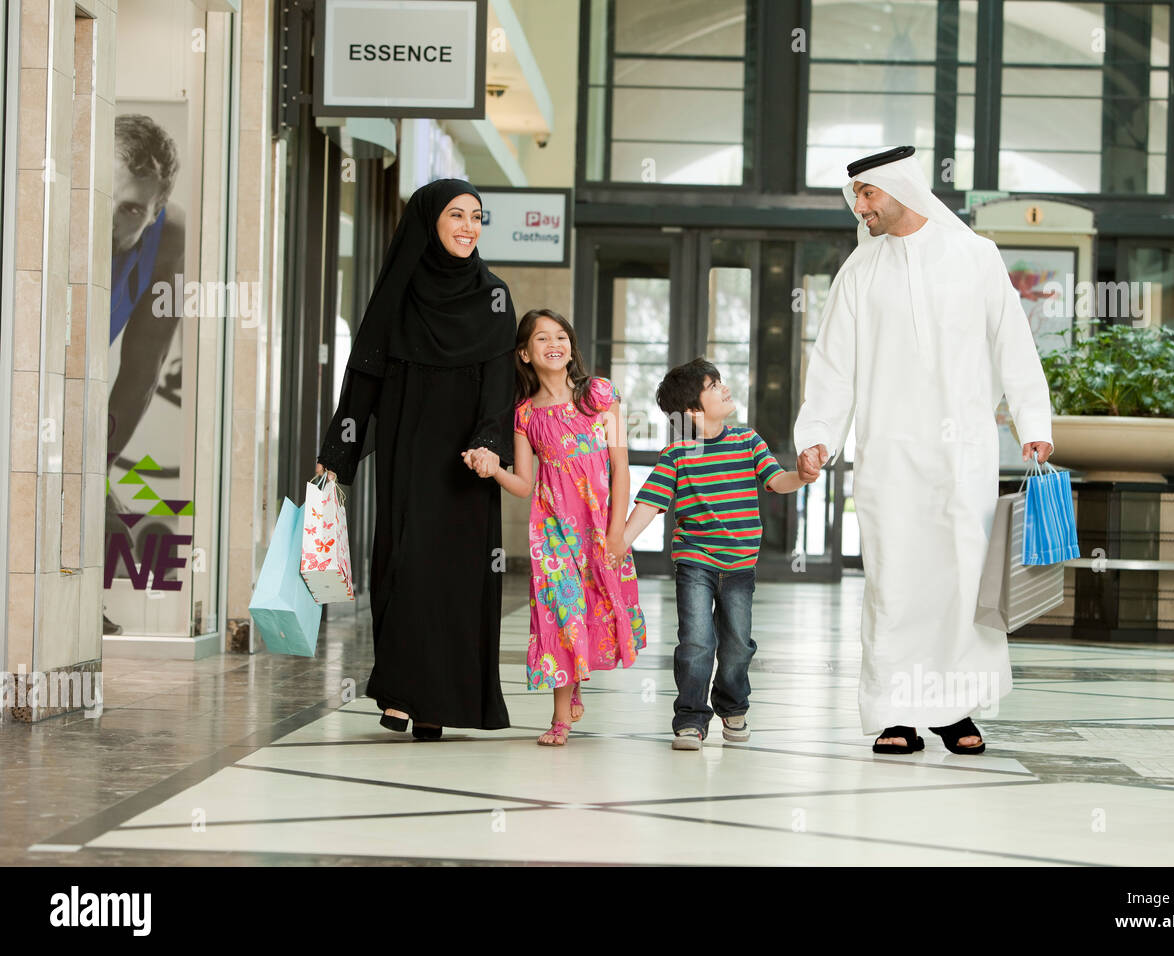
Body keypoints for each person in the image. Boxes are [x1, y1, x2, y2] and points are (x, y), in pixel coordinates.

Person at [793, 146, 1054, 756]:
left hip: (962, 454)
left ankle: (957, 711)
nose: (859, 207)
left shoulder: (975, 257)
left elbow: (1013, 345)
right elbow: (833, 366)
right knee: (893, 580)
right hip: (888, 453)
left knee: (963, 580)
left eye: (867, 194)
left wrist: (1032, 420)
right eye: (855, 195)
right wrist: (817, 436)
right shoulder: (858, 272)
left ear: (900, 188)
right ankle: (895, 712)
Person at [315, 178, 515, 741]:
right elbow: (366, 376)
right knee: (402, 564)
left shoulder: (493, 295)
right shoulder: (399, 290)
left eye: (477, 217)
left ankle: (438, 703)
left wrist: (488, 445)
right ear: (429, 221)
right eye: (457, 215)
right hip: (407, 451)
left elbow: (500, 386)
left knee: (455, 579)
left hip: (468, 466)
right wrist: (339, 454)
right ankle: (401, 691)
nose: (469, 228)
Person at [472, 310, 646, 746]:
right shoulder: (525, 415)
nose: (555, 342)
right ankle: (559, 718)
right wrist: (494, 469)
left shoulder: (600, 396)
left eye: (561, 335)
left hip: (598, 528)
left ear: (571, 346)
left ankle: (577, 682)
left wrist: (618, 532)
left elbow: (621, 467)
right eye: (542, 337)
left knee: (594, 608)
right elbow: (525, 484)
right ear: (525, 354)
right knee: (561, 612)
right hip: (552, 534)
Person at [623, 358, 813, 750]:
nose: (724, 388)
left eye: (721, 381)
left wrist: (804, 475)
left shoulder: (748, 441)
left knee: (737, 643)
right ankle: (690, 719)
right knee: (696, 641)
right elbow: (648, 504)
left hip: (740, 565)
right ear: (693, 410)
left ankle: (733, 705)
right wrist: (618, 543)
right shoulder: (677, 455)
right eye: (714, 386)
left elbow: (777, 481)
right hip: (695, 561)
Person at [104, 114, 186, 633]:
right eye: (103, 195)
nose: (108, 218)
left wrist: (93, 466)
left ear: (154, 213)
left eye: (131, 208)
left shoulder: (167, 239)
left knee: (110, 532)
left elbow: (142, 370)